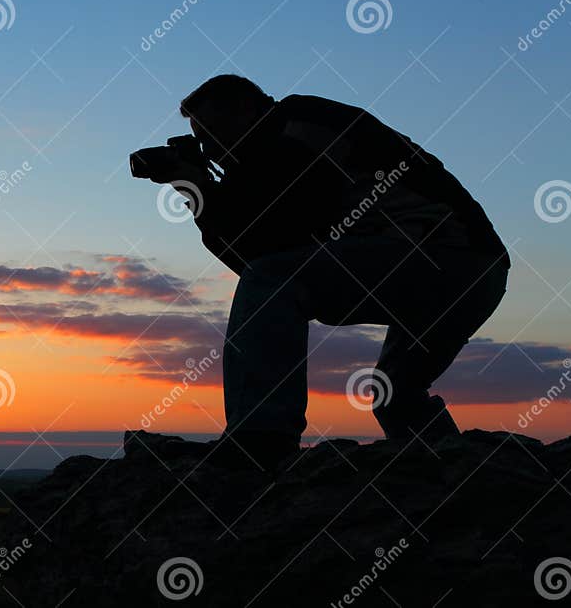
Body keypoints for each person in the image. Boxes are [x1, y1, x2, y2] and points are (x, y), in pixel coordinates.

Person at [158, 74, 510, 471]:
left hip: (442, 257)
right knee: (396, 392)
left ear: (245, 110)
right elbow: (254, 258)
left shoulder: (298, 127)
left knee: (273, 278)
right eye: (201, 140)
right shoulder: (275, 148)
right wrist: (197, 189)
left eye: (211, 134)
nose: (211, 150)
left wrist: (203, 186)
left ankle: (260, 439)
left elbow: (271, 253)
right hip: (474, 271)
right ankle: (453, 470)